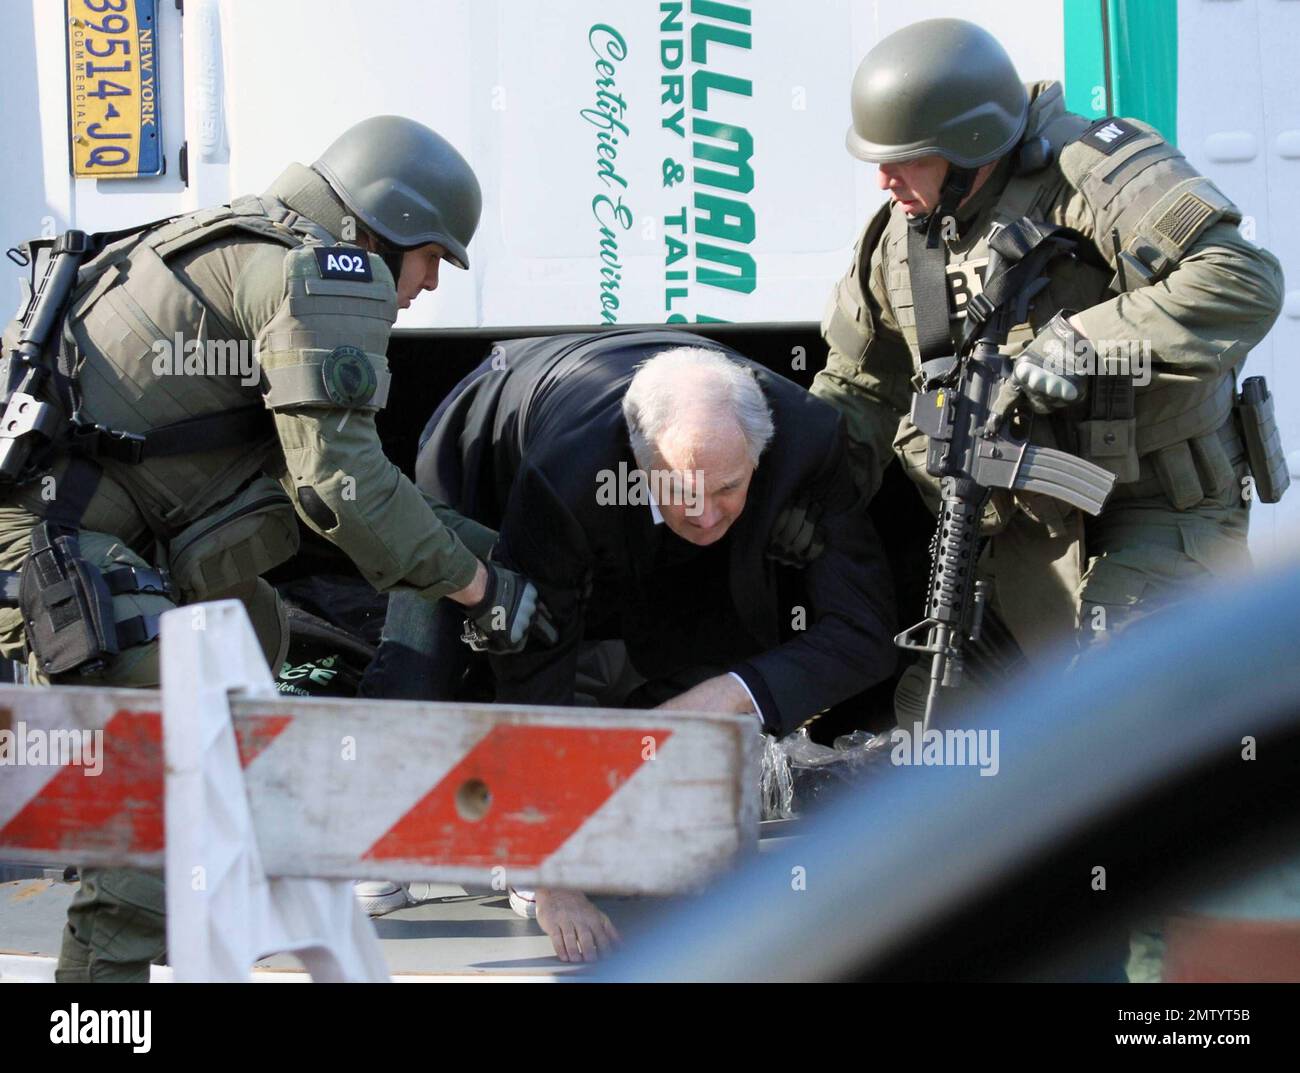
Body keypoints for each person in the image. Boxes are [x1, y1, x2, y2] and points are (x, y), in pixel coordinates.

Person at [0, 115, 552, 982]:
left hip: (80, 535)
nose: (430, 285)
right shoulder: (328, 271)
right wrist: (479, 589)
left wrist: (481, 562)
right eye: (434, 257)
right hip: (56, 553)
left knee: (255, 643)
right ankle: (97, 1002)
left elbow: (325, 486)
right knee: (174, 776)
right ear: (387, 225)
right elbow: (342, 487)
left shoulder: (250, 240)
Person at [362, 328, 898, 960]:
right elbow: (534, 661)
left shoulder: (809, 442)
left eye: (729, 486)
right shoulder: (572, 470)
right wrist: (555, 876)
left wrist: (725, 699)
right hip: (487, 445)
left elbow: (864, 630)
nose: (704, 514)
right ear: (641, 462)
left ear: (761, 454)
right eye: (684, 489)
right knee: (433, 658)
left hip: (636, 481)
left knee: (704, 654)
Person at [810, 18, 1286, 717]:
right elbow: (859, 387)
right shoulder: (901, 246)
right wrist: (787, 485)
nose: (884, 179)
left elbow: (1243, 281)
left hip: (1156, 504)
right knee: (931, 738)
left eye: (906, 157)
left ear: (968, 143)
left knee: (1120, 718)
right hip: (1019, 539)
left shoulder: (1092, 172)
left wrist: (1083, 343)